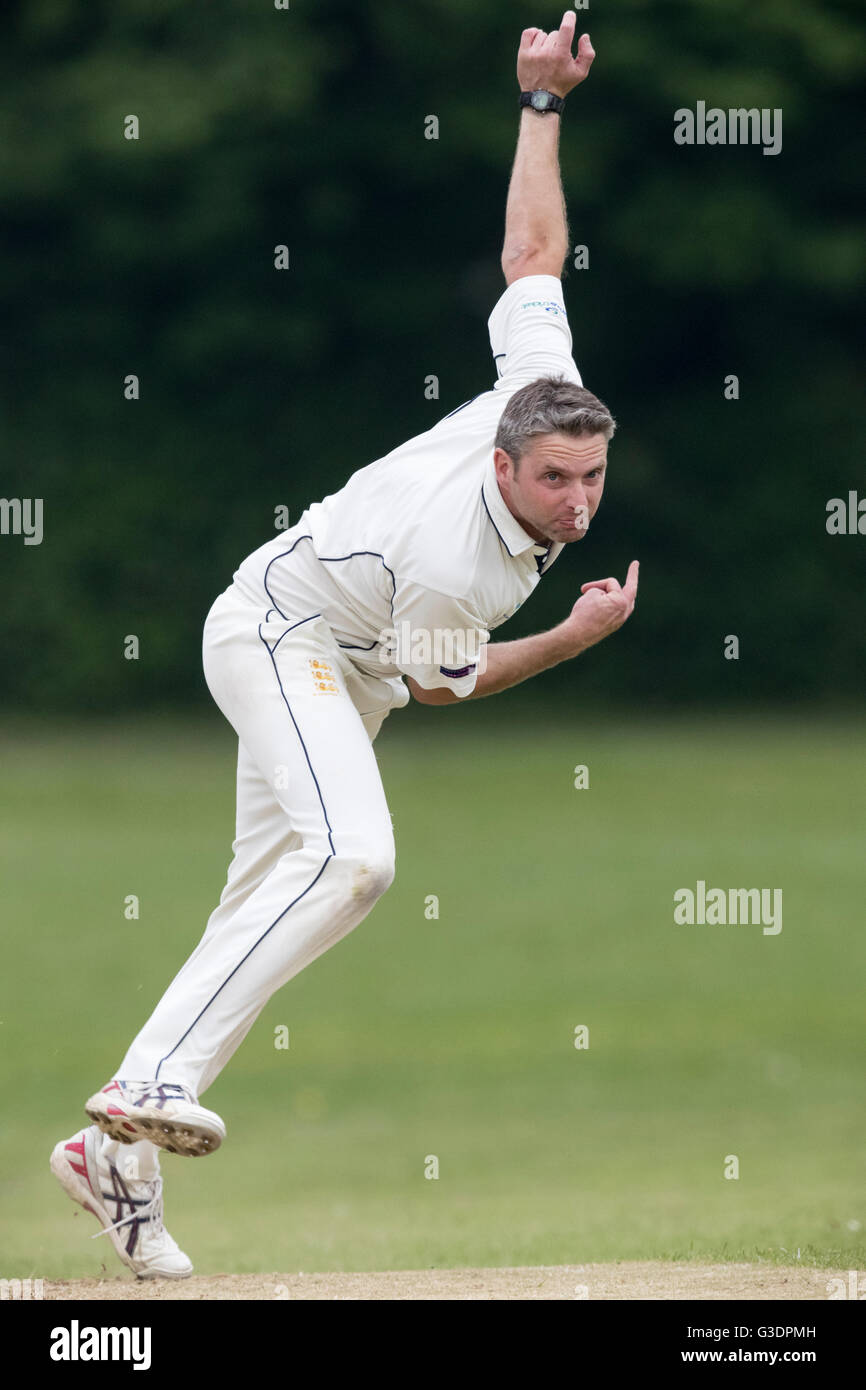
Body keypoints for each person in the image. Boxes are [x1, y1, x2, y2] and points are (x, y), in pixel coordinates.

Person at [51, 13, 638, 1278]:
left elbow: (530, 250)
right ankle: (145, 1082)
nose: (579, 503)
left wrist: (540, 105)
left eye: (592, 476)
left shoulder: (538, 382)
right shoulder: (452, 558)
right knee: (354, 859)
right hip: (282, 635)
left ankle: (116, 1160)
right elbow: (448, 682)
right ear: (500, 462)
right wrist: (573, 636)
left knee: (259, 905)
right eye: (554, 481)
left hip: (350, 651)